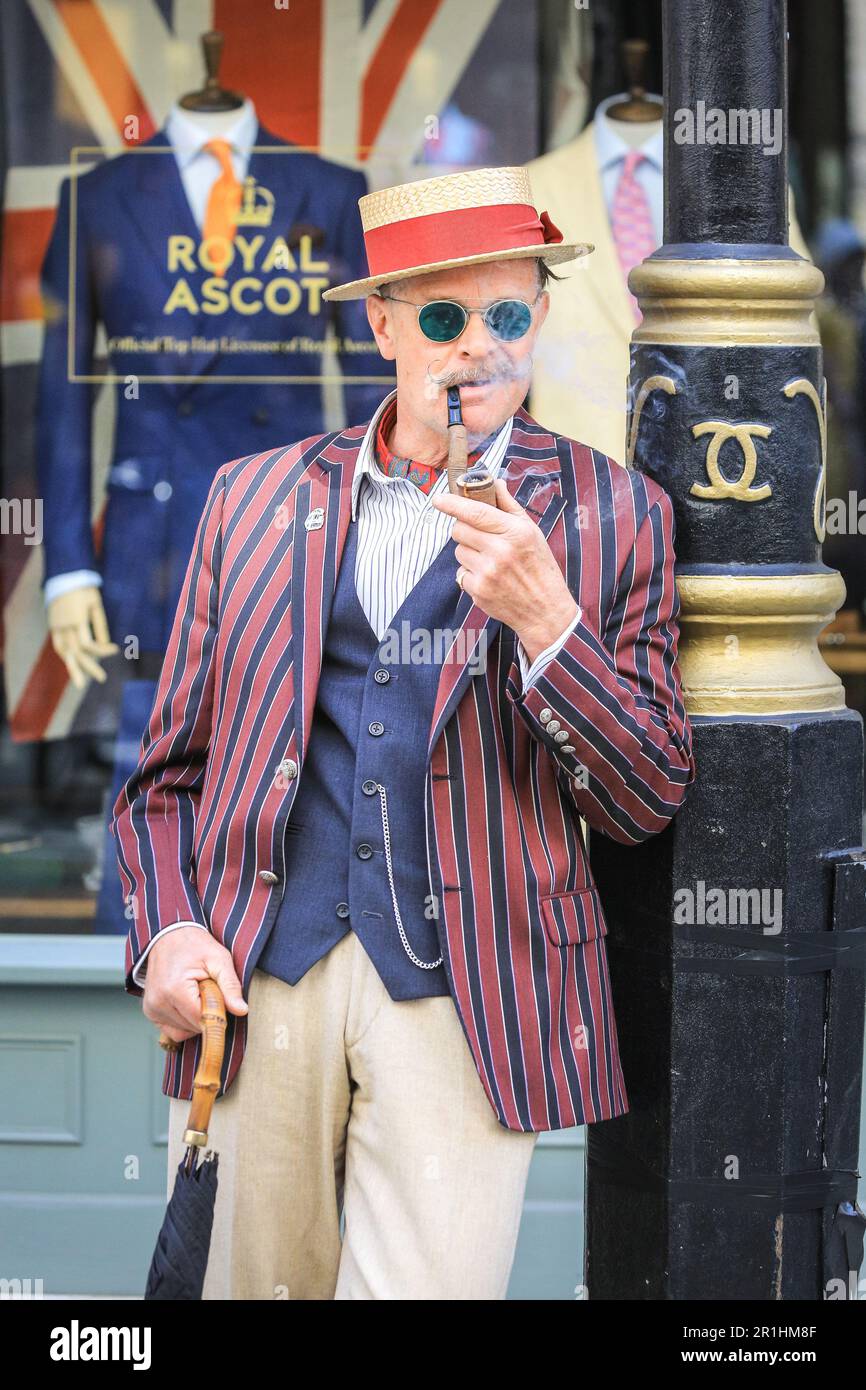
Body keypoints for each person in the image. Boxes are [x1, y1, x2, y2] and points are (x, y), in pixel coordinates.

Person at [112, 165, 696, 1300]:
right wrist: (168, 933)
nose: (479, 346)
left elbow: (646, 795)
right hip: (262, 974)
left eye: (509, 314)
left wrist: (546, 622)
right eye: (443, 316)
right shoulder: (249, 498)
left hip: (468, 994)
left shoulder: (614, 514)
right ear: (382, 324)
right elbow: (164, 777)